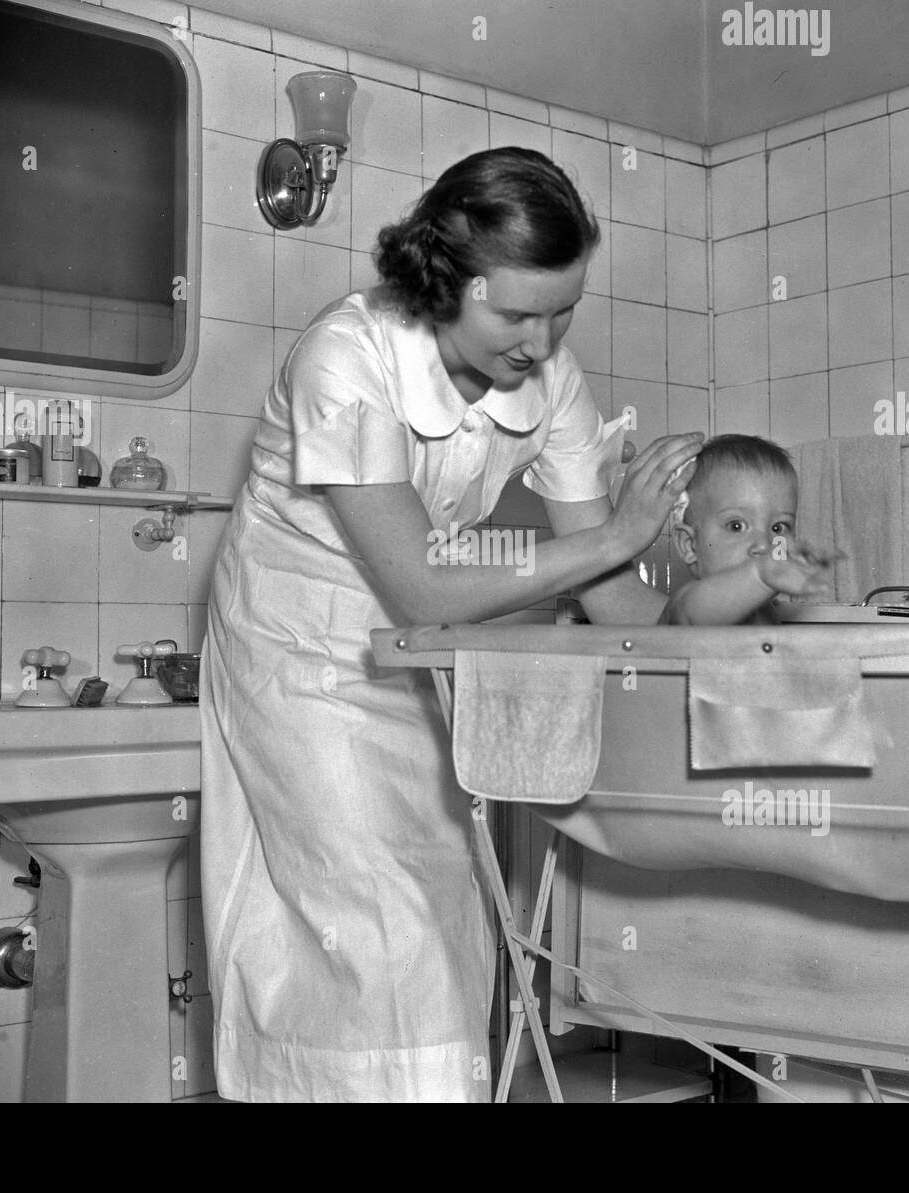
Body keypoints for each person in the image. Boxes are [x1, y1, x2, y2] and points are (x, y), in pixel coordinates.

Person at [199, 146, 704, 1102]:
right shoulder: (344, 359)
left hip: (416, 664)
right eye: (515, 313)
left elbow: (610, 595)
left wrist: (726, 604)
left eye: (562, 311)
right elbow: (425, 582)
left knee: (450, 924)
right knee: (376, 931)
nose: (542, 341)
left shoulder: (548, 380)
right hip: (300, 659)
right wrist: (621, 537)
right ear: (445, 280)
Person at [661, 434, 835, 626]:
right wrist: (760, 575)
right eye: (737, 526)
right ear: (690, 546)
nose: (763, 545)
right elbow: (697, 613)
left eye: (778, 528)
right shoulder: (685, 605)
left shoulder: (768, 616)